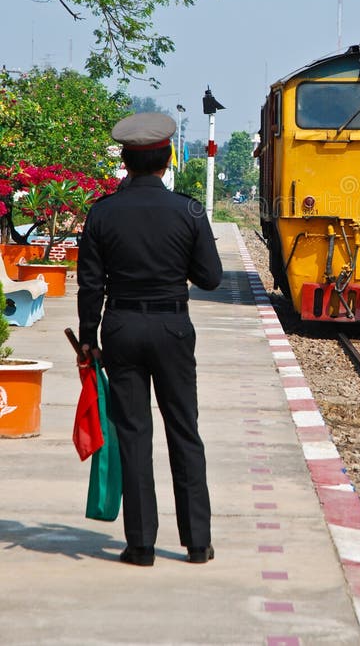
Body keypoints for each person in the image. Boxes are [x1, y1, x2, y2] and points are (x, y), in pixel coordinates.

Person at [77, 112, 223, 567]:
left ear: (125, 161)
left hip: (120, 328)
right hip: (173, 327)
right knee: (185, 431)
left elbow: (90, 285)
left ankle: (140, 545)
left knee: (134, 435)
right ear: (166, 160)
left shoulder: (101, 213)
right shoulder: (189, 210)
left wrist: (87, 338)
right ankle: (197, 543)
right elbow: (211, 278)